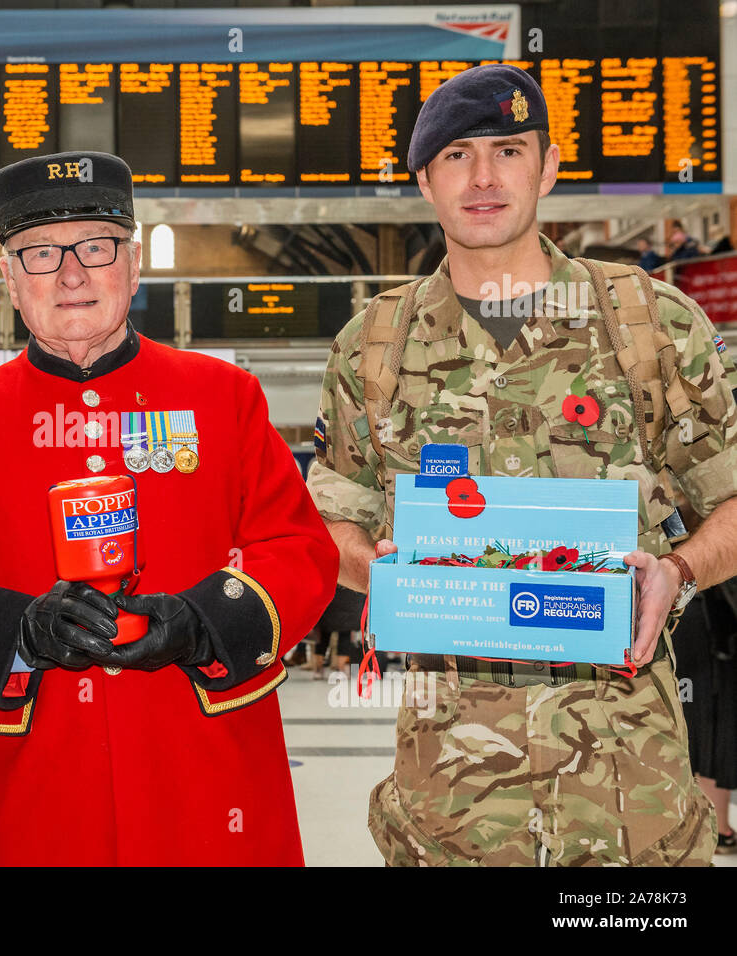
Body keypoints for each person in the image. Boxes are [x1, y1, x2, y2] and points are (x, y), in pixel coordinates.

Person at [307, 64, 737, 866]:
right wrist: (386, 574)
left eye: (508, 150)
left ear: (549, 165)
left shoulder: (649, 323)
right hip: (452, 809)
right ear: (424, 181)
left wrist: (679, 568)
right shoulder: (373, 347)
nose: (482, 178)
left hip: (628, 800)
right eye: (456, 156)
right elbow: (332, 520)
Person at [0, 150, 338, 866]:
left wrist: (203, 621)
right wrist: (18, 632)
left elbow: (302, 552)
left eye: (95, 245)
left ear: (134, 259)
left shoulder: (225, 398)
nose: (70, 273)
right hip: (38, 799)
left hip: (212, 788)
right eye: (38, 253)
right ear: (7, 275)